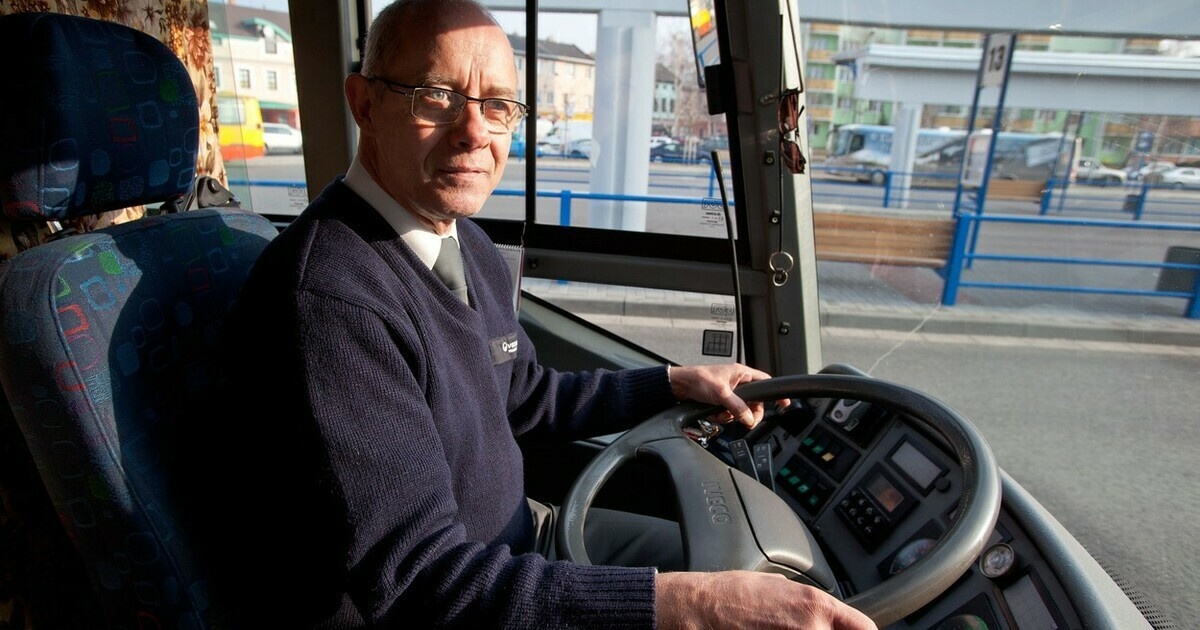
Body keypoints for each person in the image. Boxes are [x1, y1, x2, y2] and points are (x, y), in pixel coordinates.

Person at [198, 1, 876, 628]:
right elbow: (422, 583)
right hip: (444, 603)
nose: (474, 131)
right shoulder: (329, 302)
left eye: (497, 105)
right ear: (364, 103)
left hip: (517, 545)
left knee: (769, 575)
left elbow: (523, 394)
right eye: (437, 95)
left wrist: (673, 382)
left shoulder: (462, 242)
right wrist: (695, 608)